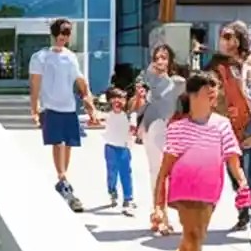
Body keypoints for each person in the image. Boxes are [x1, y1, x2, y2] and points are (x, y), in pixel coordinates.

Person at [153, 71, 251, 251]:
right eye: (209, 93)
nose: (213, 97)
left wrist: (242, 182)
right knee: (194, 236)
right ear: (193, 96)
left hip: (210, 191)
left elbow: (232, 158)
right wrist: (158, 206)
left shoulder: (222, 124)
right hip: (184, 191)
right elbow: (164, 171)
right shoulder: (177, 128)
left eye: (215, 93)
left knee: (194, 237)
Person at [209, 21, 251, 247]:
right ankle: (243, 212)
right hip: (227, 128)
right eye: (222, 36)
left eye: (230, 36)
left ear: (240, 39)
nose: (225, 41)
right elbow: (209, 93)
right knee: (236, 177)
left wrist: (244, 76)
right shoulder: (216, 64)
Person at [29, 18, 100, 213]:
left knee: (68, 144)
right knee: (57, 143)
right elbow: (35, 84)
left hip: (69, 107)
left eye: (66, 34)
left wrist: (89, 103)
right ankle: (62, 179)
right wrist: (34, 109)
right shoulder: (40, 57)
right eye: (60, 34)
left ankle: (63, 177)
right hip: (51, 107)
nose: (63, 38)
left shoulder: (70, 57)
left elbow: (80, 80)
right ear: (53, 34)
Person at [133, 44, 186, 235]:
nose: (160, 61)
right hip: (153, 128)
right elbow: (139, 106)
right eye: (157, 58)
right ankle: (158, 213)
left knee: (169, 173)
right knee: (157, 171)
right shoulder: (147, 80)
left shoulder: (177, 82)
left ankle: (162, 213)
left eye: (164, 57)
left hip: (171, 129)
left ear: (170, 60)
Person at [103, 87, 137, 215]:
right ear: (110, 101)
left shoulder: (129, 115)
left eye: (121, 99)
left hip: (124, 148)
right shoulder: (107, 114)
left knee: (125, 173)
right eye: (115, 99)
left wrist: (133, 131)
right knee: (112, 172)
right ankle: (112, 191)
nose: (118, 102)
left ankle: (128, 198)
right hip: (110, 147)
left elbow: (133, 126)